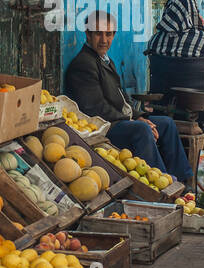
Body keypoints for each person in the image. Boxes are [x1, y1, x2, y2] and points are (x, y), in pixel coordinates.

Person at [64, 11, 191, 182]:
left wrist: (139, 116)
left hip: (120, 120)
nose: (104, 39)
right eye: (98, 33)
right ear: (88, 34)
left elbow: (121, 97)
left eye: (108, 34)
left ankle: (184, 181)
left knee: (166, 124)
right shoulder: (84, 64)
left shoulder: (105, 60)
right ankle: (163, 184)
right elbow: (95, 107)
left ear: (113, 35)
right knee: (142, 130)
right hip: (104, 126)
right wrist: (134, 121)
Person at [144, 0, 204, 96]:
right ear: (191, 13)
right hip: (203, 107)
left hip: (163, 104)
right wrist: (203, 31)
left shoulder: (154, 41)